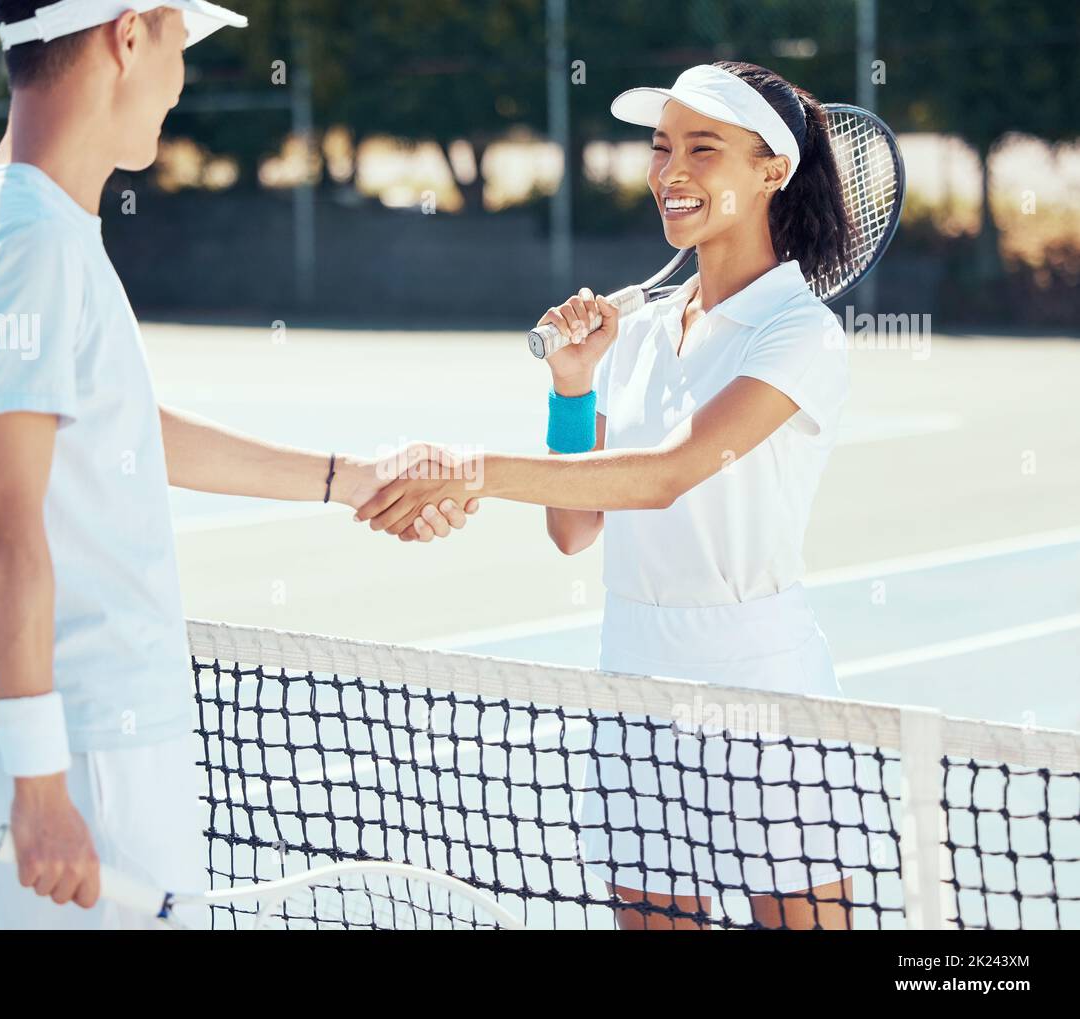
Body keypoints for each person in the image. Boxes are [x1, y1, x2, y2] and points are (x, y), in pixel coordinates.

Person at [0, 0, 475, 929]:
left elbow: (121, 427)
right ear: (128, 34)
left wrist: (353, 478)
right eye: (181, 44)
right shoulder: (28, 245)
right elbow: (1, 531)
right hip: (87, 754)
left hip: (90, 747)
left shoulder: (20, 224)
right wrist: (42, 780)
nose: (182, 81)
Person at [357, 61, 862, 929]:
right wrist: (571, 390)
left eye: (704, 149)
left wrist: (471, 469)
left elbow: (668, 474)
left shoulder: (800, 333)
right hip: (630, 673)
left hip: (761, 682)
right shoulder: (640, 335)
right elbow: (576, 530)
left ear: (771, 169)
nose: (671, 171)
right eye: (662, 149)